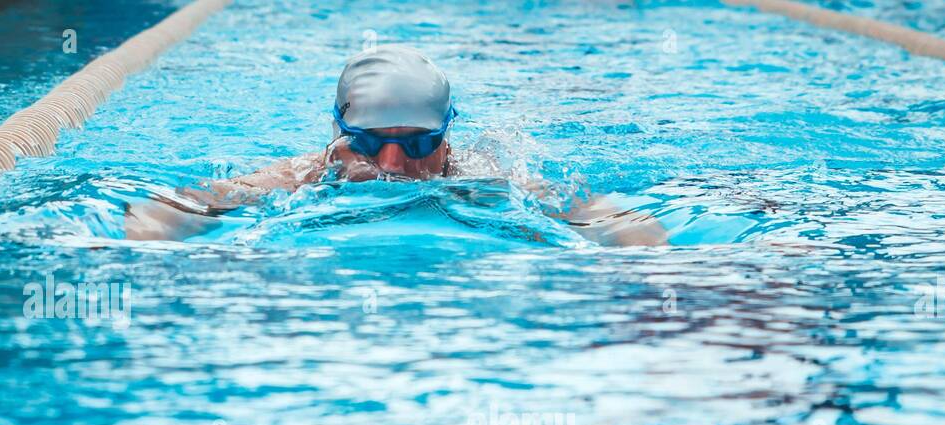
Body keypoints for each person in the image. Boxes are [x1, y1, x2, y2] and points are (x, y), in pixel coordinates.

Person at [124, 45, 667, 246]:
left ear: (447, 134)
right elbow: (174, 208)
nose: (392, 164)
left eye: (418, 144)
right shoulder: (302, 176)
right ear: (338, 132)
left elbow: (618, 223)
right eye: (369, 141)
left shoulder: (482, 176)